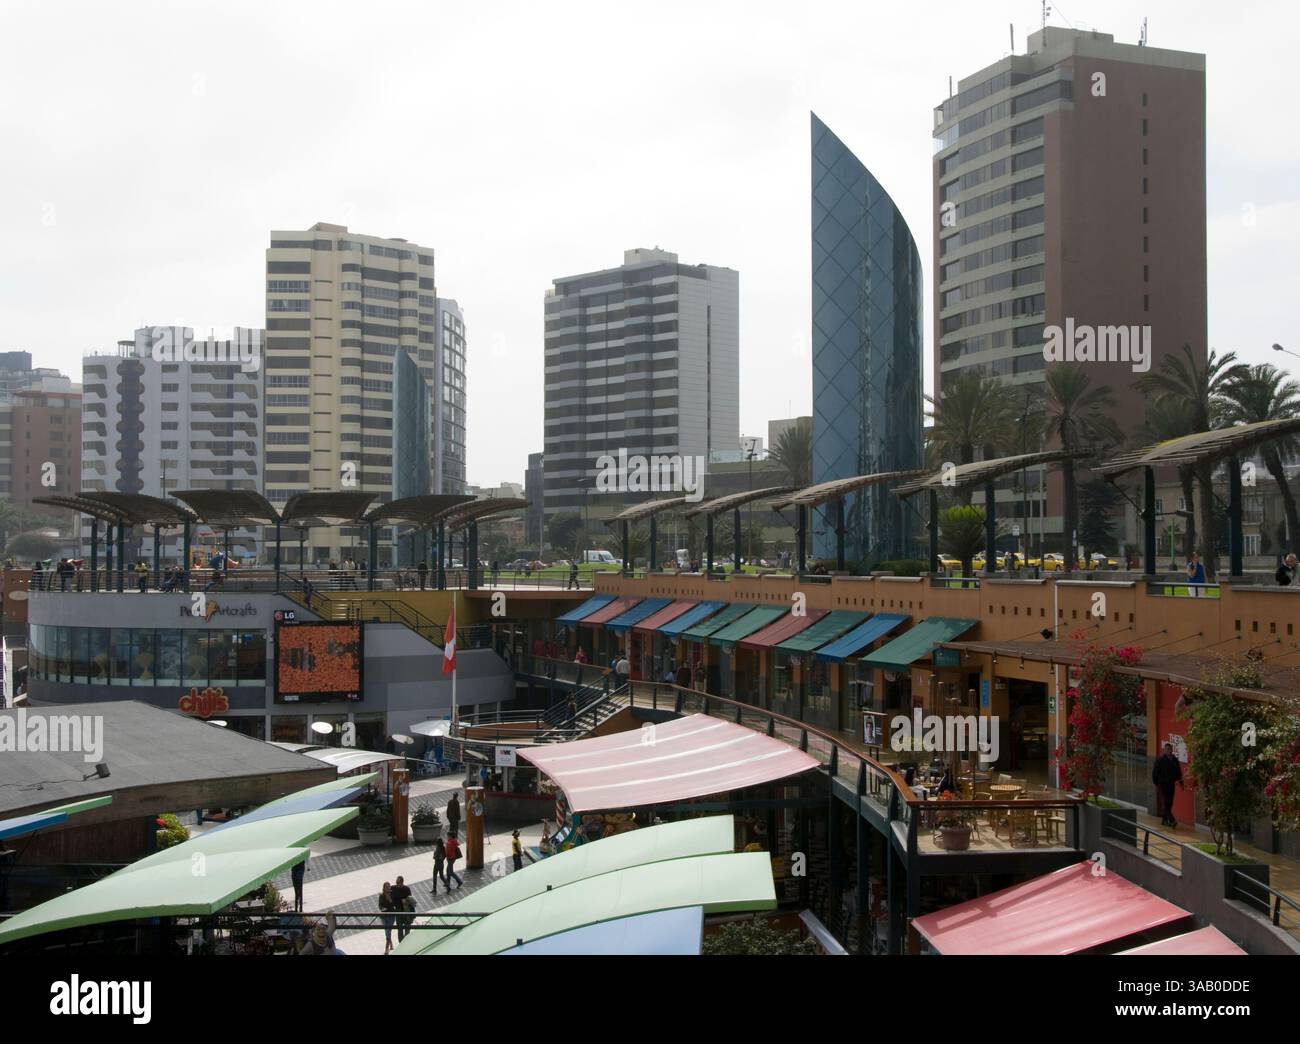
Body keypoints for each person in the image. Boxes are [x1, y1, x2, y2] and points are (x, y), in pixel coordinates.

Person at [1152, 742, 1184, 828]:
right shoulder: (1160, 760)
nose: (1169, 751)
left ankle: (1164, 820)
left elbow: (1178, 772)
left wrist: (1181, 782)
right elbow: (1155, 772)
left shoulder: (1174, 760)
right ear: (1164, 750)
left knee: (1170, 802)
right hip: (1163, 784)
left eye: (1170, 749)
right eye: (1167, 749)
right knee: (1166, 802)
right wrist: (1157, 783)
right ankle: (1172, 820)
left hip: (1171, 784)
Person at [390, 876, 414, 941]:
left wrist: (406, 901)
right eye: (396, 882)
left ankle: (406, 942)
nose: (397, 884)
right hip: (398, 911)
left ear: (402, 882)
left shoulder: (406, 889)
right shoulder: (393, 888)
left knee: (407, 929)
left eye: (398, 882)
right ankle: (401, 943)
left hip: (406, 911)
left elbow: (411, 901)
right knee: (400, 929)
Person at [378, 881, 396, 954]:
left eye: (389, 886)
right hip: (384, 916)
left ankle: (386, 948)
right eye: (386, 886)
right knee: (387, 931)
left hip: (391, 915)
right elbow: (380, 905)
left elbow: (394, 904)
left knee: (388, 931)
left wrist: (390, 900)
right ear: (384, 888)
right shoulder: (381, 895)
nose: (388, 888)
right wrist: (381, 908)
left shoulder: (392, 894)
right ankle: (390, 943)